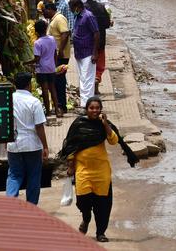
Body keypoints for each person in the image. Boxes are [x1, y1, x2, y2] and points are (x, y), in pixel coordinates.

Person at [58, 97, 136, 244]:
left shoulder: (104, 125)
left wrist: (105, 125)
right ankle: (86, 218)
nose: (94, 110)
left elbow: (113, 141)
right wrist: (70, 165)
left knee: (103, 204)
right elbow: (70, 146)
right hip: (83, 170)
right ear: (86, 109)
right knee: (83, 201)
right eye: (91, 108)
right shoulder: (79, 124)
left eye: (97, 108)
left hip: (101, 171)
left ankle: (101, 232)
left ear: (101, 110)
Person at [5, 72, 49, 204]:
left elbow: (5, 122)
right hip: (32, 145)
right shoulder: (34, 102)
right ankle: (31, 206)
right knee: (33, 176)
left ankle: (10, 201)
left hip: (13, 145)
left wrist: (5, 141)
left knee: (14, 175)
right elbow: (39, 126)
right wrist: (45, 146)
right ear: (29, 85)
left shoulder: (8, 99)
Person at [42, 0, 71, 118]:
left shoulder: (59, 19)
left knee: (59, 80)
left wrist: (60, 51)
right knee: (57, 80)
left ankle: (61, 106)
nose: (43, 13)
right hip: (56, 55)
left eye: (44, 11)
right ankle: (59, 105)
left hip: (61, 56)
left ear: (50, 10)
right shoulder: (53, 19)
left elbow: (65, 33)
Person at [69, 0, 100, 103]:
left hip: (88, 52)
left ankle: (87, 103)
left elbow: (96, 33)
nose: (71, 11)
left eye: (72, 9)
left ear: (77, 7)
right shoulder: (77, 16)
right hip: (79, 52)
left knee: (88, 79)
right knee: (82, 78)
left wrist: (95, 53)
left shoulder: (88, 16)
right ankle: (84, 102)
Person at [81, 0, 110, 87]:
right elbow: (107, 23)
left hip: (86, 41)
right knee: (100, 61)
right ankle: (97, 77)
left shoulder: (82, 8)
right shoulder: (101, 7)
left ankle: (91, 82)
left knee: (87, 63)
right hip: (100, 40)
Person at [31, 20, 61, 116]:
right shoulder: (52, 39)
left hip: (41, 69)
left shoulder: (37, 43)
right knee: (53, 89)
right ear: (46, 28)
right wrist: (54, 64)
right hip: (51, 68)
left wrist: (26, 62)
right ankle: (57, 110)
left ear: (36, 31)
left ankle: (48, 111)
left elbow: (37, 59)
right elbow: (55, 53)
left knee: (45, 90)